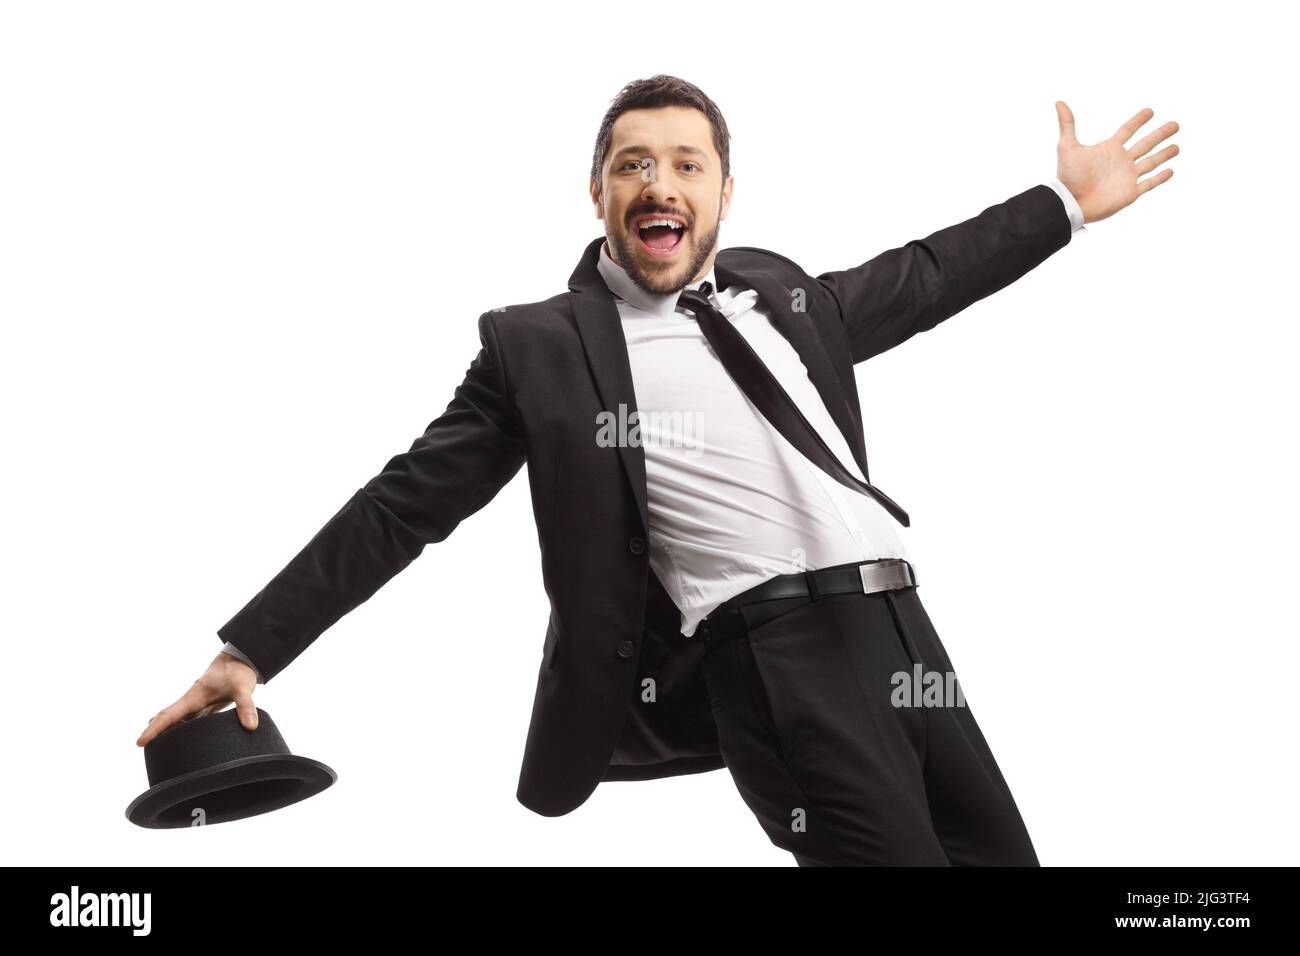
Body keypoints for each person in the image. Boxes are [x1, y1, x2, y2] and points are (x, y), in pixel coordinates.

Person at [138, 75, 1177, 865]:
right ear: (597, 192)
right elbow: (401, 505)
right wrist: (250, 645)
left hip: (904, 627)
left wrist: (1064, 203)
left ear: (725, 189)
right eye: (634, 163)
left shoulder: (778, 294)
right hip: (773, 656)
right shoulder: (535, 348)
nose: (659, 182)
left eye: (686, 162)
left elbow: (926, 274)